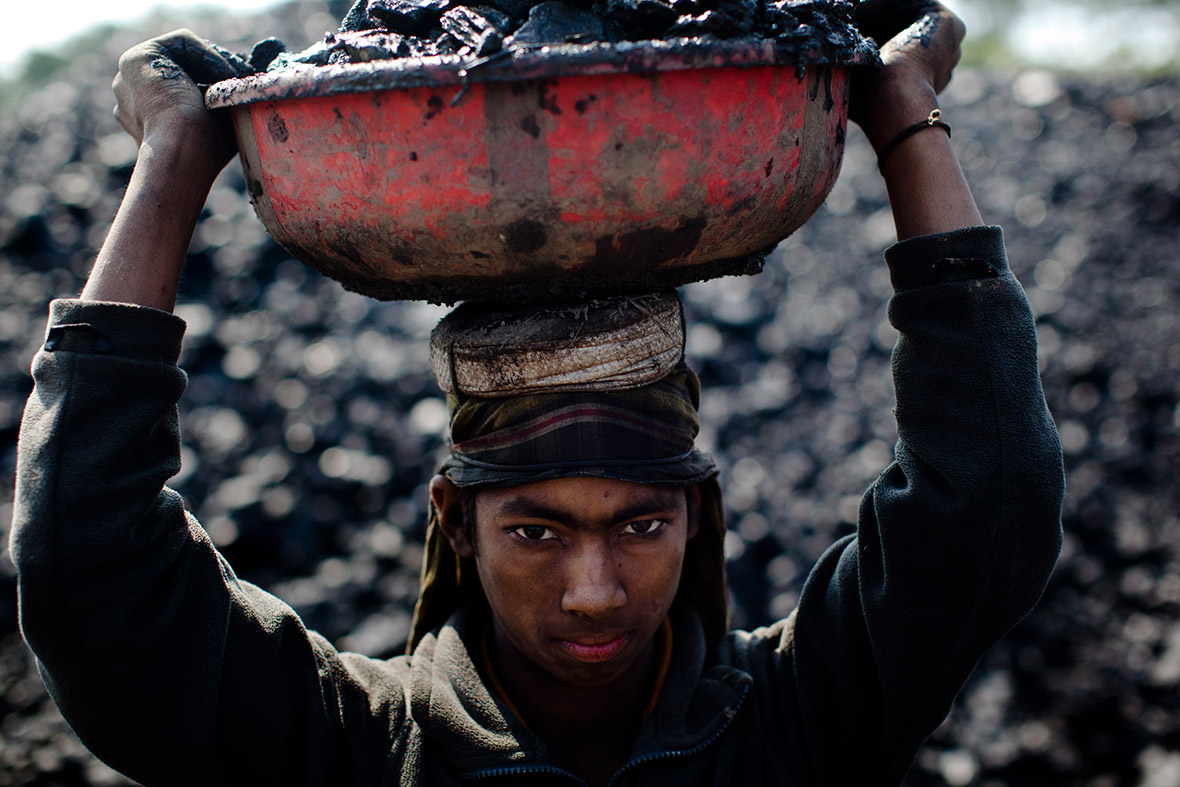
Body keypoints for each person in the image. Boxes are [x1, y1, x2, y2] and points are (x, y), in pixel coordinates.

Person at [10, 2, 1064, 785]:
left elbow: (989, 502)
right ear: (453, 521)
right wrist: (175, 155)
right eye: (536, 531)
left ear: (700, 515)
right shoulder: (351, 746)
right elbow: (85, 566)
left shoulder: (794, 722)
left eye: (642, 523)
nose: (594, 592)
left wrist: (905, 117)